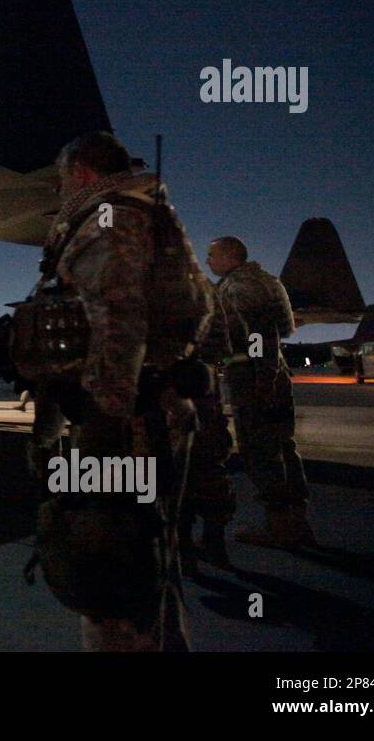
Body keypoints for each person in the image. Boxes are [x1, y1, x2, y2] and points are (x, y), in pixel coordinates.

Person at [28, 131, 205, 652]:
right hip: (140, 407)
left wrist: (103, 425)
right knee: (142, 566)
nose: (61, 191)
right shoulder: (135, 212)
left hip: (122, 419)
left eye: (63, 181)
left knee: (104, 569)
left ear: (81, 172)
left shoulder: (112, 218)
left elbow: (119, 319)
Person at [207, 236, 315, 548]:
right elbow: (284, 328)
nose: (208, 261)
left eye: (212, 255)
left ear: (229, 257)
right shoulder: (269, 281)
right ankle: (297, 522)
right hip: (273, 372)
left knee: (259, 450)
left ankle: (280, 526)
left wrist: (262, 380)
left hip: (252, 375)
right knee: (283, 445)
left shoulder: (240, 286)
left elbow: (261, 335)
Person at [180, 279, 245, 572]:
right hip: (203, 387)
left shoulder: (133, 277)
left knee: (167, 469)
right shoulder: (203, 285)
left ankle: (181, 550)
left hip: (161, 391)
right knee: (209, 464)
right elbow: (225, 340)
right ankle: (214, 542)